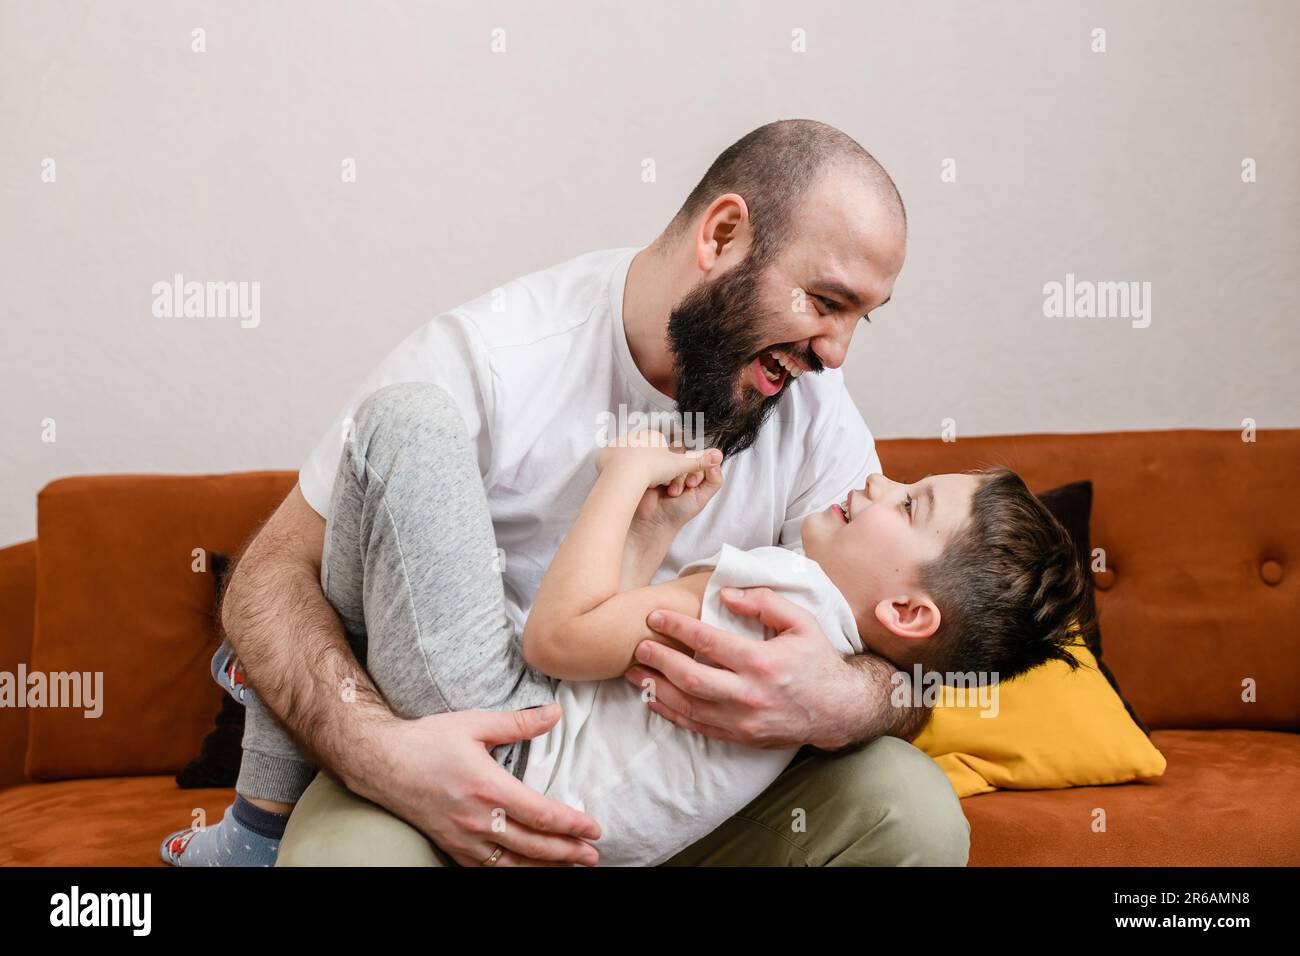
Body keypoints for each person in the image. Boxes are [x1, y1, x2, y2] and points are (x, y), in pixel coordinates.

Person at [172, 119, 975, 867]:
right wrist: (379, 753)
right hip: (460, 766)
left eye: (860, 319)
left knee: (914, 810)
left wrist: (845, 699)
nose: (835, 353)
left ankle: (253, 822)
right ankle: (263, 834)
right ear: (722, 236)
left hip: (660, 810)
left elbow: (914, 647)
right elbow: (270, 580)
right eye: (826, 302)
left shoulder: (813, 409)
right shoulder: (491, 355)